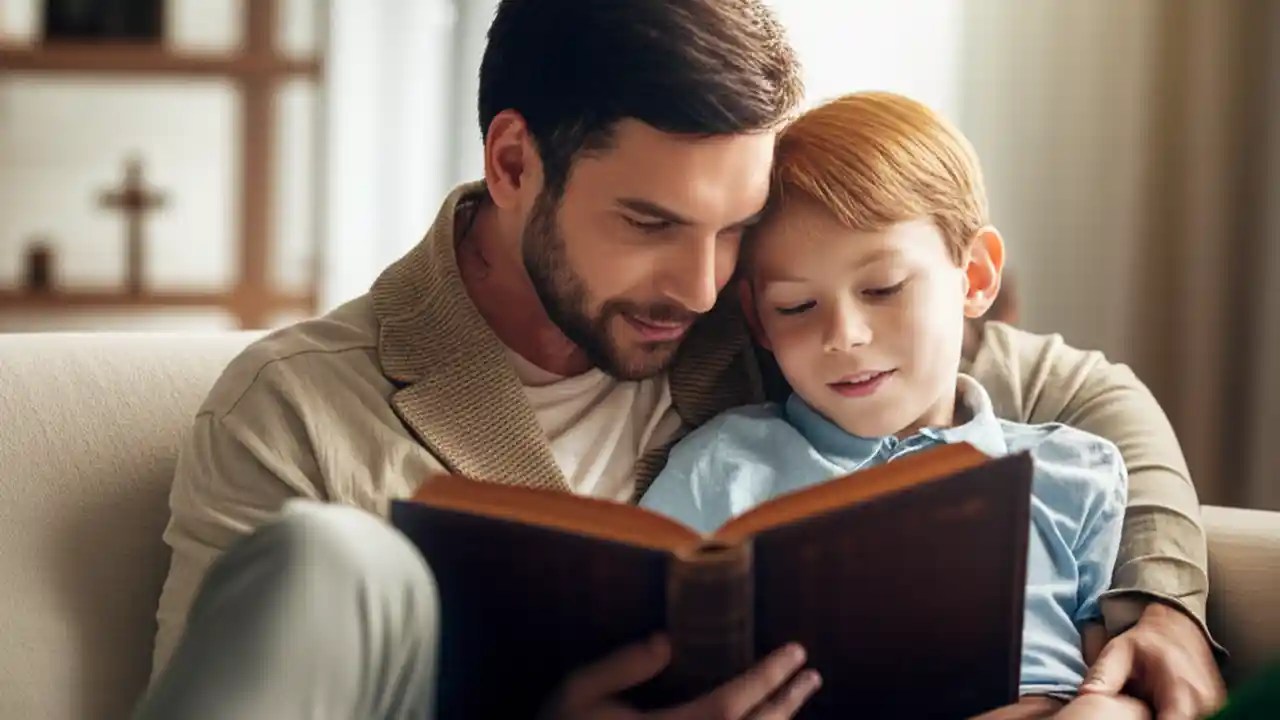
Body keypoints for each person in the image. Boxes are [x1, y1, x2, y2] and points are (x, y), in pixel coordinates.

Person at [135, 1, 1225, 718]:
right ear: (513, 162)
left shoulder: (777, 321)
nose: (704, 287)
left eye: (732, 229)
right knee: (333, 561)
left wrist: (1159, 603)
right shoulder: (296, 413)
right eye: (650, 223)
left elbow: (1084, 395)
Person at [639, 91, 1143, 718]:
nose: (844, 334)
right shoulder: (722, 466)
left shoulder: (1074, 472)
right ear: (758, 322)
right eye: (796, 307)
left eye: (882, 288)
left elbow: (1114, 674)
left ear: (976, 276)